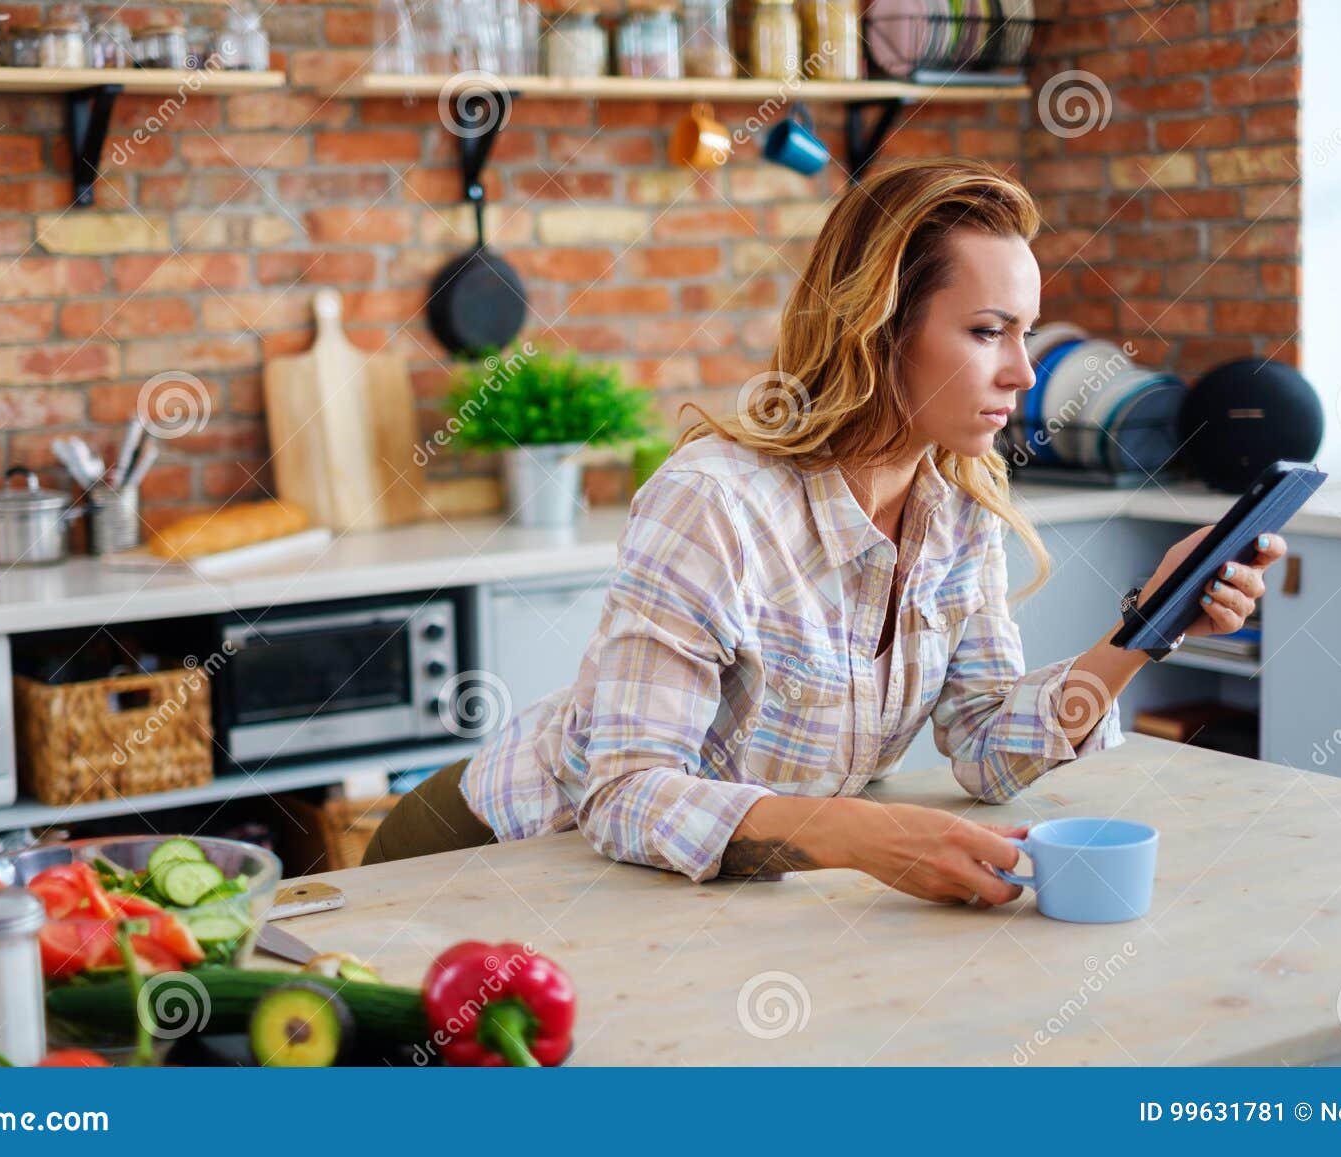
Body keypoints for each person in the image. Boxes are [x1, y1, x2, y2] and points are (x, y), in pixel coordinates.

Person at [363, 157, 1285, 907]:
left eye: (1026, 334)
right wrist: (857, 834)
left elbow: (989, 747)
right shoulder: (715, 502)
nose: (1021, 372)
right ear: (879, 329)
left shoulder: (958, 502)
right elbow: (624, 793)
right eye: (987, 331)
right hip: (497, 853)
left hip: (680, 891)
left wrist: (1150, 622)